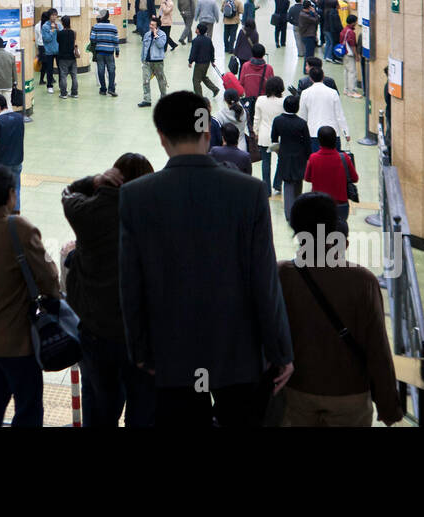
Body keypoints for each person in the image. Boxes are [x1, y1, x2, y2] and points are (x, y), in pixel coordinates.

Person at [120, 91, 294, 427]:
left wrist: (141, 350)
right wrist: (280, 351)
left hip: (171, 353)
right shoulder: (249, 192)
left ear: (161, 137)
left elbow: (131, 284)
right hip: (238, 355)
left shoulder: (136, 197)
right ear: (206, 133)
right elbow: (264, 282)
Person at [279, 195, 401, 427]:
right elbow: (377, 348)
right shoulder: (362, 280)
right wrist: (388, 405)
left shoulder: (280, 275)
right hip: (349, 396)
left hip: (295, 392)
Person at [61, 154, 158, 427]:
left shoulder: (87, 214)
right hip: (143, 336)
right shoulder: (157, 218)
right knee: (144, 408)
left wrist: (94, 181)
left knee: (99, 406)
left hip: (96, 333)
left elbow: (68, 193)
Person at [0, 164, 60, 427]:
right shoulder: (18, 228)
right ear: (11, 194)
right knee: (29, 405)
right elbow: (48, 277)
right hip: (17, 342)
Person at [303, 126, 359, 225]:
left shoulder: (313, 158)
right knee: (339, 233)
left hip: (319, 204)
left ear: (319, 141)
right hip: (340, 204)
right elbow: (355, 178)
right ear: (335, 140)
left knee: (321, 234)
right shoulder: (344, 158)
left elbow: (307, 178)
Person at [271, 95, 312, 223]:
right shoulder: (302, 123)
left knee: (287, 184)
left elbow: (274, 138)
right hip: (299, 156)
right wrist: (308, 157)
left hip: (284, 155)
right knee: (298, 182)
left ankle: (289, 214)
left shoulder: (278, 121)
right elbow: (307, 143)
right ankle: (298, 210)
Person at [299, 66, 350, 151]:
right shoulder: (333, 93)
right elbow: (340, 115)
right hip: (332, 133)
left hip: (313, 133)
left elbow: (303, 116)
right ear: (323, 76)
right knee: (333, 160)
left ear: (310, 78)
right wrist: (346, 133)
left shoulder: (305, 93)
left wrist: (301, 134)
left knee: (316, 161)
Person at [253, 76, 287, 194]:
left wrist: (255, 131)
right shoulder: (284, 101)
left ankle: (266, 189)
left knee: (265, 162)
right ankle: (277, 184)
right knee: (282, 160)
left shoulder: (260, 100)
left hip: (264, 135)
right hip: (280, 137)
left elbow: (257, 118)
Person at [138, 15, 169, 107]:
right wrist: (142, 59)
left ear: (157, 26)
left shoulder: (162, 34)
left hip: (158, 62)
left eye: (153, 25)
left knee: (161, 81)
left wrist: (156, 36)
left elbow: (161, 45)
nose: (150, 26)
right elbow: (144, 48)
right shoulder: (147, 34)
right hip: (147, 62)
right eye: (150, 24)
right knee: (145, 80)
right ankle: (147, 100)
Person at [89, 10, 120, 96]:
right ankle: (111, 89)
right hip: (110, 52)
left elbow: (92, 39)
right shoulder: (113, 27)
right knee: (112, 70)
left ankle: (103, 89)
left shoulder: (96, 26)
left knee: (101, 70)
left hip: (99, 52)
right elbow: (116, 41)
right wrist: (117, 51)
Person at [189, 22, 220, 96]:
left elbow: (193, 52)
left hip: (199, 63)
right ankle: (215, 89)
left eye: (196, 28)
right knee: (203, 77)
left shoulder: (196, 40)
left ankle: (199, 97)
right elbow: (212, 50)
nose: (195, 29)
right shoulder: (208, 39)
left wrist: (190, 61)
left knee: (196, 80)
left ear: (198, 30)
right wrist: (212, 60)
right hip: (207, 62)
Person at [56, 19, 79, 99]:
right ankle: (74, 93)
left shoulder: (60, 33)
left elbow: (58, 41)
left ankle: (63, 93)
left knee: (63, 76)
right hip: (72, 57)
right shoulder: (73, 32)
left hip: (62, 57)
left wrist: (57, 30)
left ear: (62, 23)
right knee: (74, 76)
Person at [341, 14, 362, 97]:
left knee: (346, 71)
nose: (356, 23)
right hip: (349, 54)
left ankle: (346, 89)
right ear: (353, 22)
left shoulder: (344, 30)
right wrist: (356, 55)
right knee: (352, 73)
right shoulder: (351, 32)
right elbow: (352, 45)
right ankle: (352, 91)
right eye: (356, 21)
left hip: (344, 54)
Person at [40, 10, 60, 92]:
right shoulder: (45, 27)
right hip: (49, 51)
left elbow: (62, 36)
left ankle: (61, 85)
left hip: (58, 50)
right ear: (49, 16)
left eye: (55, 15)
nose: (54, 17)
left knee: (61, 69)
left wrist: (58, 30)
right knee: (49, 69)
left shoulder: (58, 25)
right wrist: (52, 30)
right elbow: (47, 39)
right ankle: (49, 86)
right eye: (52, 15)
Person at [297, 0, 320, 69]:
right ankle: (307, 69)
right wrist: (314, 12)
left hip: (307, 35)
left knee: (310, 54)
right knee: (309, 55)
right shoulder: (305, 15)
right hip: (308, 36)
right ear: (309, 7)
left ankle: (309, 68)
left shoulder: (303, 13)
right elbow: (316, 20)